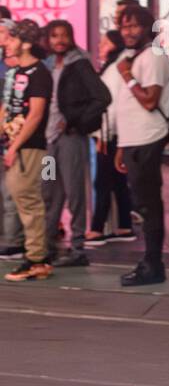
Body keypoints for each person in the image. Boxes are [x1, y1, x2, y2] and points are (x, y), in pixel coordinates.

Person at [109, 5, 169, 285]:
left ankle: (153, 263)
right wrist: (123, 145)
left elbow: (149, 100)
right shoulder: (134, 56)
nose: (128, 32)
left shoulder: (154, 55)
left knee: (148, 205)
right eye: (124, 27)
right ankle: (150, 261)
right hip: (134, 140)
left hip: (148, 137)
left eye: (134, 26)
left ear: (147, 26)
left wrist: (127, 75)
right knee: (142, 204)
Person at [40, 20, 109, 267]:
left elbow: (102, 97)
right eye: (54, 35)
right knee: (48, 190)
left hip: (70, 139)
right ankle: (46, 246)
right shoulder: (48, 64)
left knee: (74, 192)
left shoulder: (79, 64)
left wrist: (75, 122)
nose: (59, 40)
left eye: (64, 35)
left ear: (71, 37)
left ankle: (77, 248)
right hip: (48, 141)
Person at [1, 21, 54, 281]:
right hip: (13, 143)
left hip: (28, 146)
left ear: (26, 43)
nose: (6, 44)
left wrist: (15, 145)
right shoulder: (15, 72)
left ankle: (37, 259)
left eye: (12, 39)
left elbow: (35, 114)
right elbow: (8, 106)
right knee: (21, 199)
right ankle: (34, 255)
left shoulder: (39, 73)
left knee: (28, 200)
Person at [86, 30, 137, 248]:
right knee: (117, 181)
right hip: (114, 131)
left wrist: (103, 136)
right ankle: (124, 226)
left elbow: (113, 104)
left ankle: (97, 228)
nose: (100, 45)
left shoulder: (117, 67)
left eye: (105, 42)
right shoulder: (116, 64)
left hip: (111, 132)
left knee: (104, 181)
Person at [0, 18, 25, 259]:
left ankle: (36, 245)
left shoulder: (34, 69)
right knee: (8, 192)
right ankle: (12, 240)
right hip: (9, 141)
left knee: (44, 189)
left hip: (40, 145)